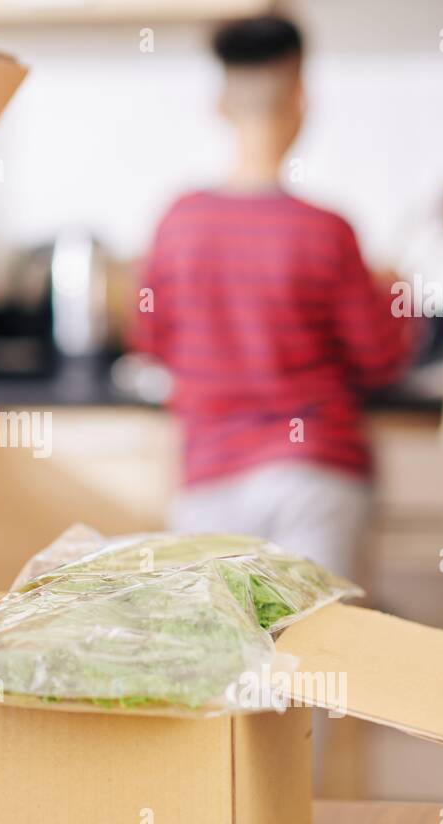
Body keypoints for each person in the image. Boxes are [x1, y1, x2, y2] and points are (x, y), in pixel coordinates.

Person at [130, 14, 415, 580]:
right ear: (301, 101)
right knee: (315, 656)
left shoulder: (178, 222)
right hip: (314, 476)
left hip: (207, 480)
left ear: (220, 105)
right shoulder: (327, 230)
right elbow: (379, 360)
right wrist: (395, 290)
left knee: (217, 654)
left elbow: (150, 342)